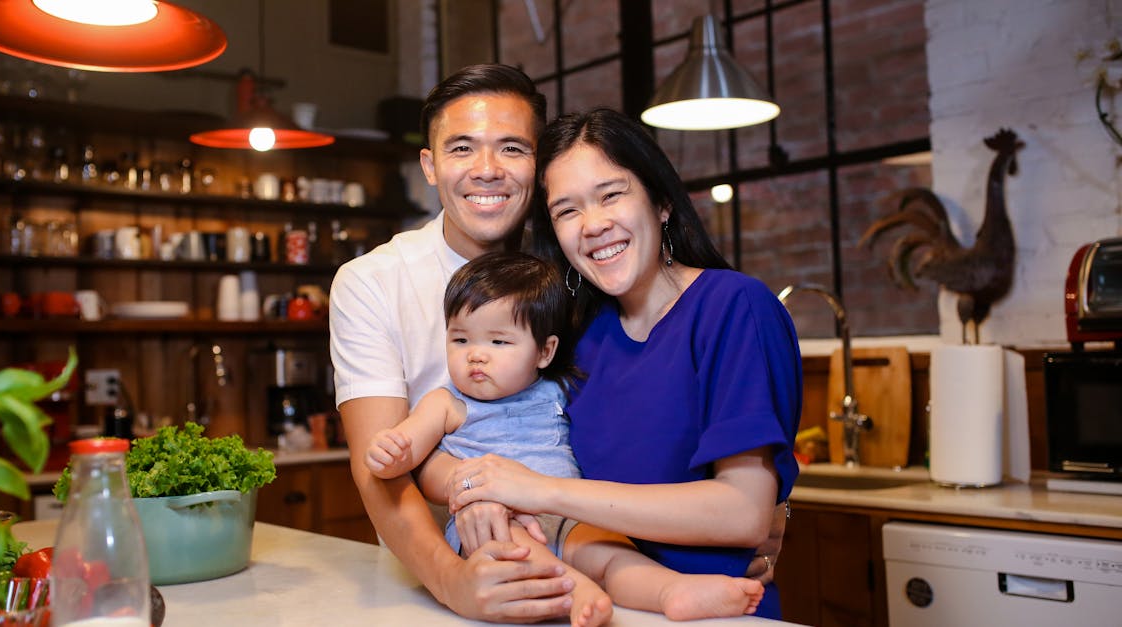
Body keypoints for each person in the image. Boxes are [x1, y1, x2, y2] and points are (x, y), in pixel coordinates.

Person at [330, 63, 783, 623]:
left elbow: (721, 453)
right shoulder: (376, 281)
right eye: (463, 148)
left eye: (513, 149)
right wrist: (464, 539)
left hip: (624, 575)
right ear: (429, 164)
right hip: (452, 578)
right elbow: (385, 461)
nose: (487, 170)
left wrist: (768, 504)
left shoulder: (577, 284)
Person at [446, 108, 803, 619]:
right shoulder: (573, 339)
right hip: (592, 609)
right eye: (567, 211)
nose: (593, 225)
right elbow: (500, 434)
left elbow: (744, 514)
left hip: (714, 615)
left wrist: (542, 491)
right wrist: (483, 497)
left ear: (660, 201)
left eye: (611, 195)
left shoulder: (733, 306)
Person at [364, 251, 764, 626]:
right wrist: (392, 450)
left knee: (610, 551)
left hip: (569, 513)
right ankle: (576, 591)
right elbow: (409, 451)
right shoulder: (446, 403)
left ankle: (670, 591)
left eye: (498, 341)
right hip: (494, 523)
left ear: (544, 351)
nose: (476, 355)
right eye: (461, 340)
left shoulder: (556, 391)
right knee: (517, 550)